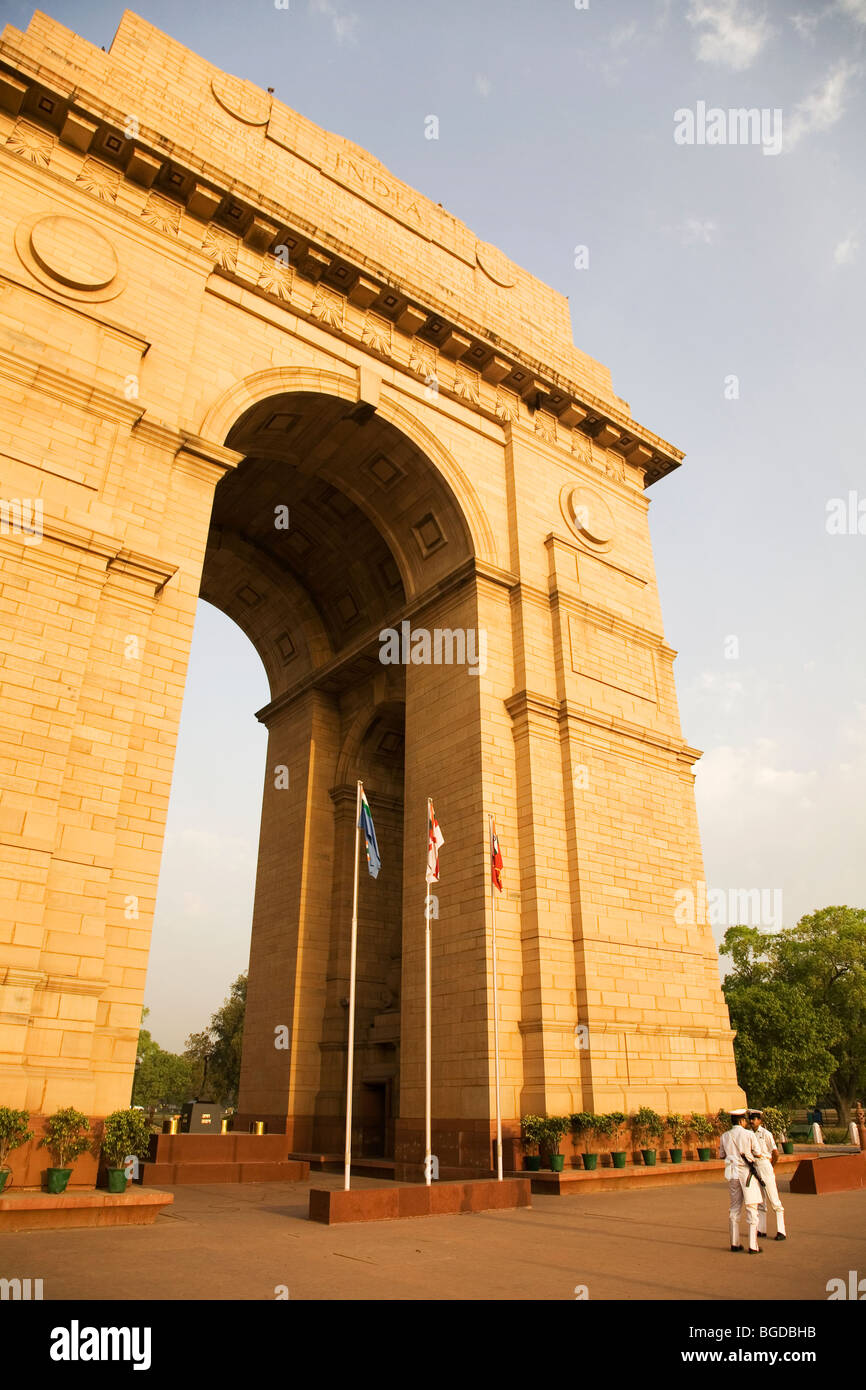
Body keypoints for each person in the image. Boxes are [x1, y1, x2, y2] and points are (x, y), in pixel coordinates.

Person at [718, 1108, 764, 1253]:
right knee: (752, 1208)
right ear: (742, 1121)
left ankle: (734, 1243)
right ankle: (753, 1245)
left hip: (732, 1174)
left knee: (734, 1208)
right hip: (747, 1174)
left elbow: (721, 1155)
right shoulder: (749, 1134)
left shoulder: (725, 1136)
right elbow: (758, 1153)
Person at [749, 1109, 787, 1241]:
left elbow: (775, 1153)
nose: (752, 1121)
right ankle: (762, 1229)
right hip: (754, 1166)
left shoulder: (766, 1134)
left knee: (774, 1200)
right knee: (760, 1200)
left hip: (765, 1164)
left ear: (760, 1121)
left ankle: (781, 1231)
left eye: (754, 1119)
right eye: (751, 1118)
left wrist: (771, 1166)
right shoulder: (749, 1134)